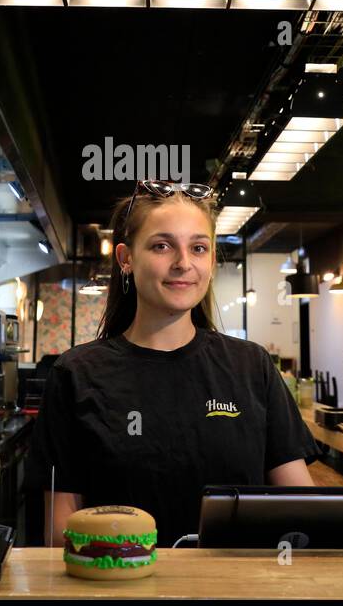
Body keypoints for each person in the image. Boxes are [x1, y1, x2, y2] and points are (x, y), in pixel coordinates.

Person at [25, 180, 318, 548]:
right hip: (119, 588)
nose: (183, 263)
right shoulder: (76, 374)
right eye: (162, 246)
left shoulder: (251, 366)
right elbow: (59, 529)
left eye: (198, 248)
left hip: (236, 593)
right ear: (126, 259)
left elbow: (303, 508)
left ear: (211, 260)